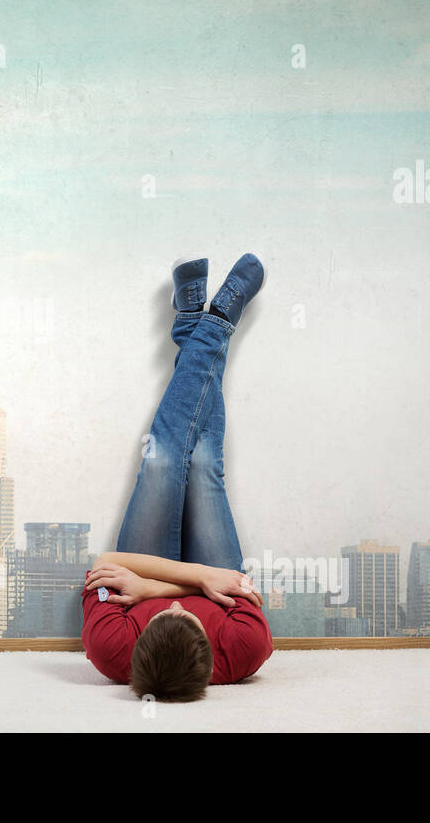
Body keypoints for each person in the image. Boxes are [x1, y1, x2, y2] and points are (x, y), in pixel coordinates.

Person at [82, 253, 273, 702]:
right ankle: (201, 324)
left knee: (163, 461)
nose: (173, 604)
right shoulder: (245, 649)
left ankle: (208, 323)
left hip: (181, 570)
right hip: (208, 570)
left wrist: (163, 583)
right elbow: (227, 586)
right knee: (204, 462)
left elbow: (105, 560)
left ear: (138, 642)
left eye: (157, 613)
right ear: (212, 654)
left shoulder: (112, 650)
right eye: (185, 613)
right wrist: (174, 583)